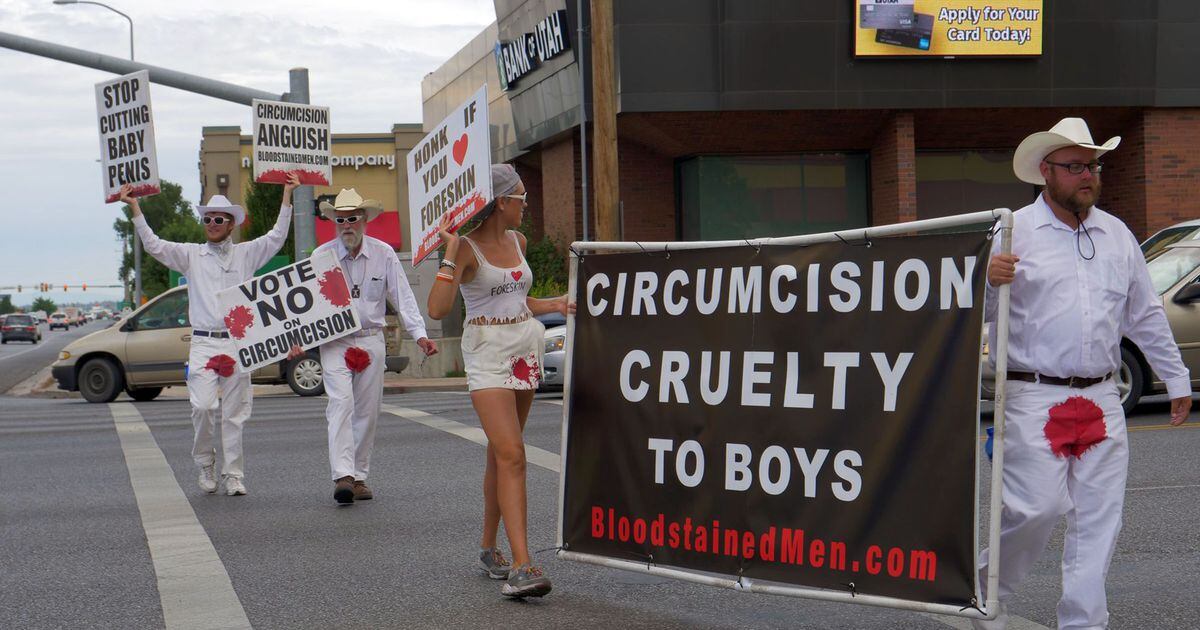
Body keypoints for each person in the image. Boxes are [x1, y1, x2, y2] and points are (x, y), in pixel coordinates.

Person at [977, 118, 1192, 630]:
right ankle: (985, 591)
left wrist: (1176, 377)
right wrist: (987, 280)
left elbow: (1144, 315)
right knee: (1037, 510)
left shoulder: (1116, 234)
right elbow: (970, 308)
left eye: (1092, 165)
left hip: (1101, 395)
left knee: (1098, 519)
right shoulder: (1012, 231)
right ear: (1045, 172)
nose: (1087, 175)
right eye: (1074, 166)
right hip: (1032, 394)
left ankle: (1084, 620)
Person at [427, 164, 573, 599]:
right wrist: (450, 253)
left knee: (500, 453)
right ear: (502, 201)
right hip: (487, 352)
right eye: (523, 197)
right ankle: (522, 566)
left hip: (525, 348)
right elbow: (437, 309)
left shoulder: (519, 241)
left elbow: (517, 297)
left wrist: (557, 303)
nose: (527, 205)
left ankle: (490, 549)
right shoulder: (468, 248)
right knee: (513, 454)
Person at [122, 174, 298, 496]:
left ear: (231, 224)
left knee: (235, 413)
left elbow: (276, 236)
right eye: (207, 219)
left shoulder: (246, 254)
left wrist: (287, 195)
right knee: (202, 406)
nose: (212, 223)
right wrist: (136, 208)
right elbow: (154, 245)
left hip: (236, 340)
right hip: (202, 341)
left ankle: (233, 474)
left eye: (219, 219)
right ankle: (205, 462)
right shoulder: (191, 255)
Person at [288, 188, 437, 505]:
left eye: (352, 219)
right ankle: (342, 475)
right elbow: (306, 304)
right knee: (340, 403)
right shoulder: (320, 257)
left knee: (367, 412)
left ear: (364, 220)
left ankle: (358, 476)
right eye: (340, 220)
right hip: (335, 340)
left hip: (370, 338)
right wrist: (297, 338)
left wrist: (419, 333)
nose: (346, 226)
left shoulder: (384, 254)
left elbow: (402, 296)